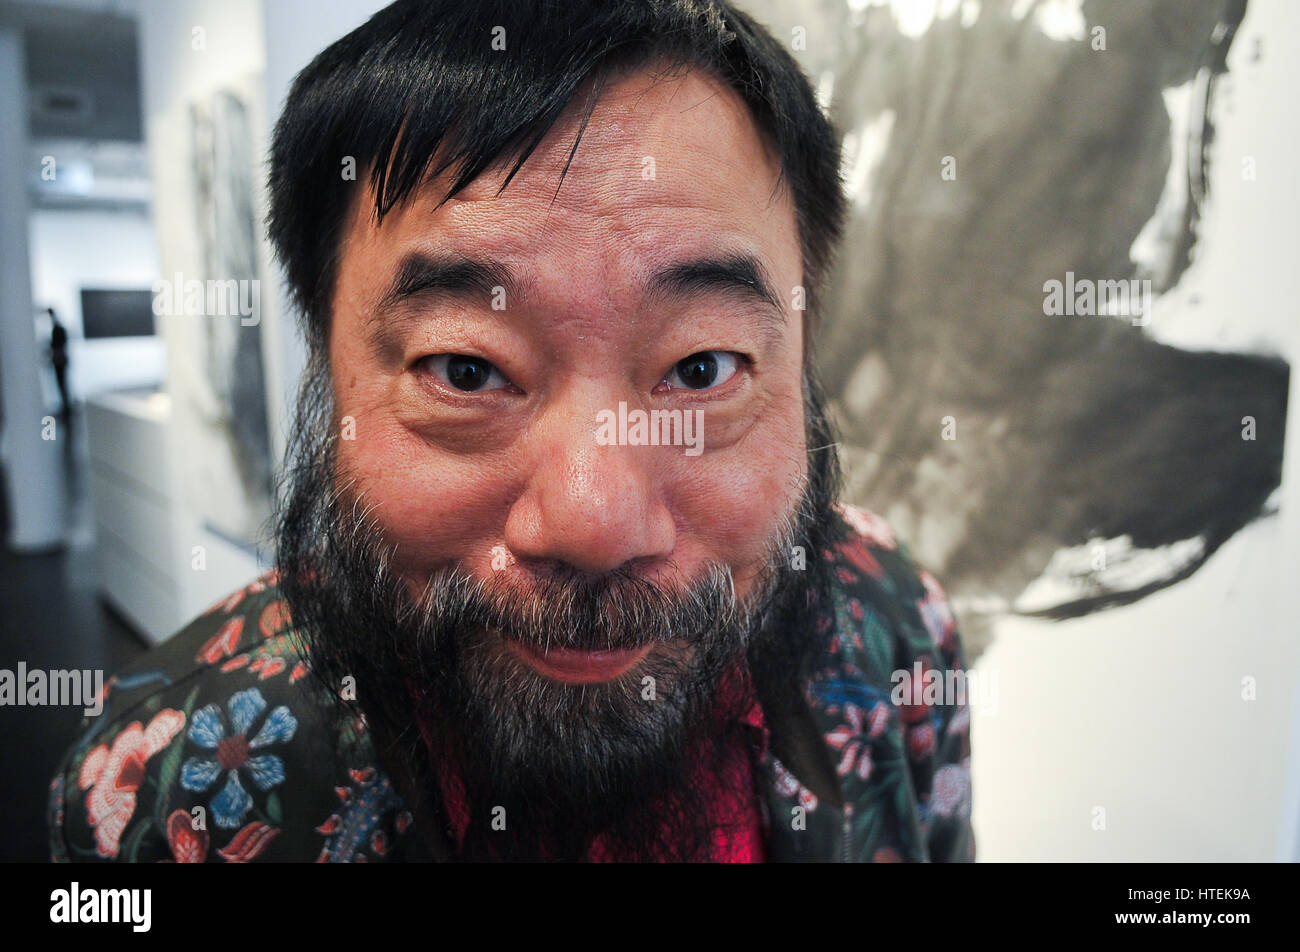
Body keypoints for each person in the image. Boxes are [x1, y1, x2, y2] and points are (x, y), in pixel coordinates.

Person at [48, 0, 973, 863]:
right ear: (329, 380)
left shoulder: (897, 634)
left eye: (701, 369)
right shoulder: (173, 790)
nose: (595, 525)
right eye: (466, 370)